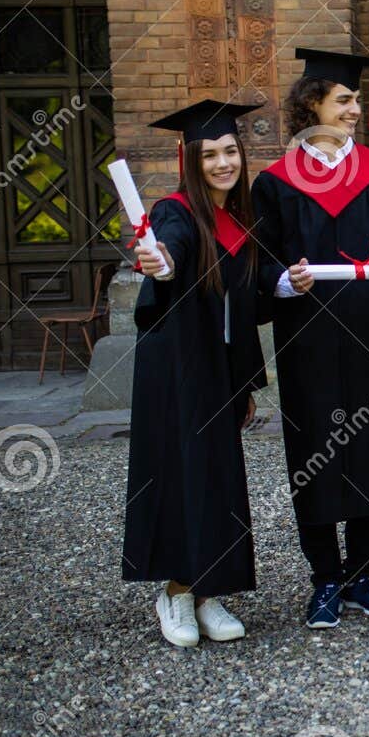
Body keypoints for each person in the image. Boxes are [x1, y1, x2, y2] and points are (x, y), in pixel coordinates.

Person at [250, 48, 369, 629]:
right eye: (344, 100)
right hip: (307, 340)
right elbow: (259, 262)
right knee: (314, 454)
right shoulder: (275, 185)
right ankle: (325, 577)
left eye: (355, 100)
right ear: (313, 106)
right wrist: (282, 280)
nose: (355, 110)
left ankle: (362, 576)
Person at [123, 99, 269, 648]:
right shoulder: (176, 213)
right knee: (181, 474)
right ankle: (176, 592)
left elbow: (247, 298)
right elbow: (170, 256)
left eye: (230, 151)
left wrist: (246, 379)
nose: (223, 162)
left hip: (221, 367)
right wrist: (160, 261)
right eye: (209, 154)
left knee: (219, 477)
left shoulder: (238, 217)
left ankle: (208, 591)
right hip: (178, 367)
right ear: (191, 160)